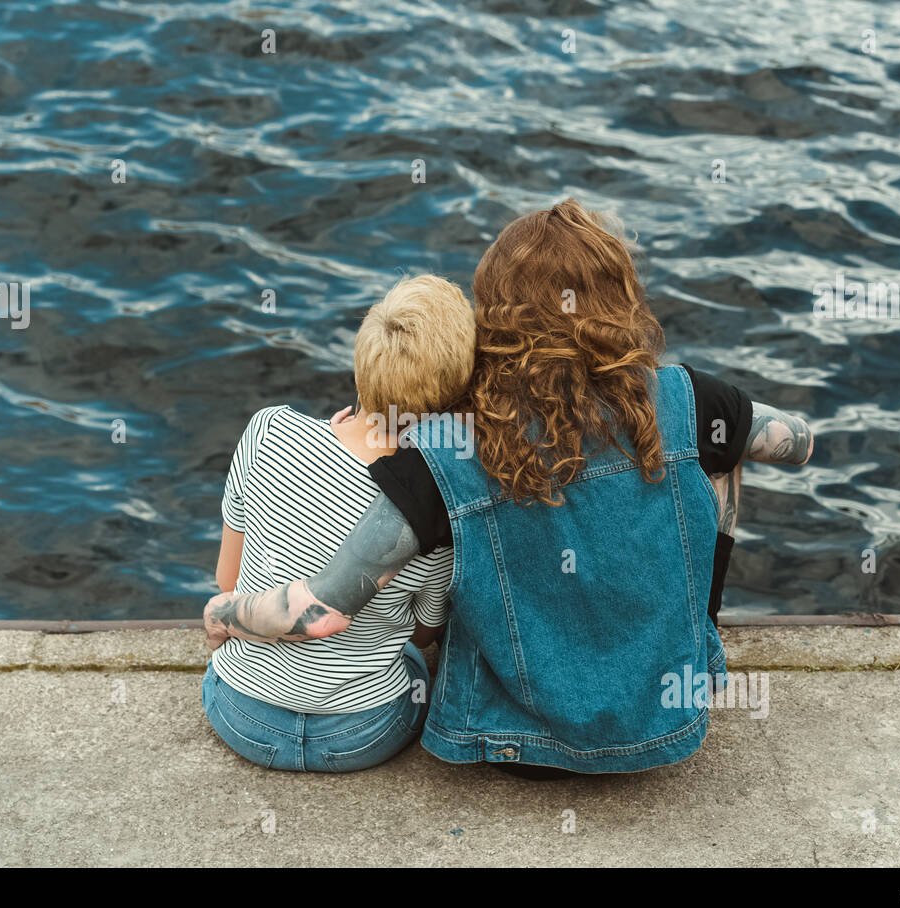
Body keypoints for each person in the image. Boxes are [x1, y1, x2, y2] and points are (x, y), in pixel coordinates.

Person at [205, 199, 814, 776]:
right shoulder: (687, 397)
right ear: (618, 300)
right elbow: (798, 440)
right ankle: (698, 634)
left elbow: (325, 606)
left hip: (505, 735)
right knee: (724, 445)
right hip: (668, 713)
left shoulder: (445, 451)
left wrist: (224, 611)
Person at [201, 275, 474, 772]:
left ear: (363, 359)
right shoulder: (433, 504)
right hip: (360, 733)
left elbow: (227, 581)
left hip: (240, 714)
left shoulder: (267, 432)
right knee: (414, 664)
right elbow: (424, 634)